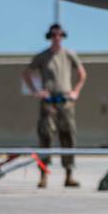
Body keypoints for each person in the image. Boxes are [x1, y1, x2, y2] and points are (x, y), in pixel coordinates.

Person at [22, 24, 87, 188]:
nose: (57, 38)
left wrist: (76, 91)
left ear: (63, 36)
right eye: (54, 35)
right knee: (45, 137)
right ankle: (43, 175)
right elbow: (26, 73)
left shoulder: (69, 54)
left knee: (68, 137)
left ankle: (69, 175)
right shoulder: (43, 56)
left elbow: (82, 74)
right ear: (50, 37)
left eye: (60, 35)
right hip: (48, 103)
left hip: (65, 102)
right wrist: (36, 91)